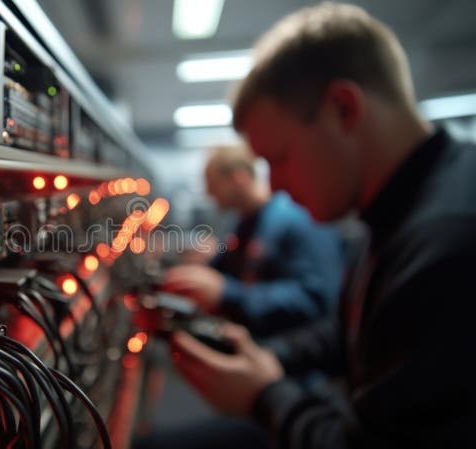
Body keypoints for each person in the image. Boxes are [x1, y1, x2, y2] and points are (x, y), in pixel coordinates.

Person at [170, 2, 476, 448]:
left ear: (343, 109)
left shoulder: (448, 244)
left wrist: (263, 396)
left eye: (279, 159)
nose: (273, 185)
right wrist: (265, 357)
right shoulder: (398, 207)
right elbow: (354, 335)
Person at [162, 144, 343, 337]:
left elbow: (316, 297)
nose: (209, 193)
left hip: (290, 355)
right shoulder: (243, 223)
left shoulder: (296, 217)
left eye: (213, 184)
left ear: (239, 177)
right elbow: (229, 264)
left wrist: (228, 294)